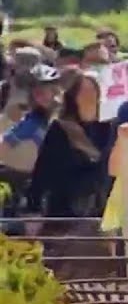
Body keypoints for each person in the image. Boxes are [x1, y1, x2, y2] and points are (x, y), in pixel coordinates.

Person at [26, 70, 111, 218]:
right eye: (84, 93)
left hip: (100, 210)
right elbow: (43, 169)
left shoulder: (108, 128)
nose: (90, 97)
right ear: (73, 98)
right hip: (65, 210)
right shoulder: (61, 128)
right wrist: (33, 209)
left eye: (93, 92)